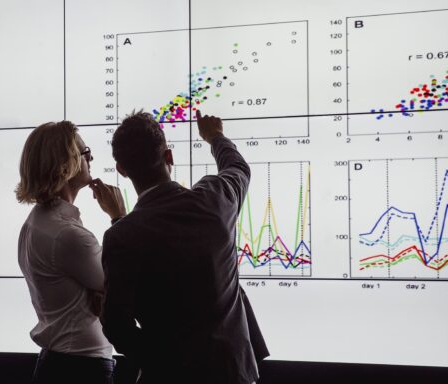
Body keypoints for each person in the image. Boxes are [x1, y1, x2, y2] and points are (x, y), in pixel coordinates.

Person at [99, 110, 269, 384]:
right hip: (233, 373)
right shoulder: (215, 199)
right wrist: (215, 137)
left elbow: (117, 326)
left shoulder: (122, 235)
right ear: (169, 157)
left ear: (122, 170)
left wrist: (164, 363)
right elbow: (238, 168)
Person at [15, 121, 126, 384]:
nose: (91, 158)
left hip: (59, 363)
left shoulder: (35, 224)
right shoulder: (67, 236)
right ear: (67, 163)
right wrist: (119, 218)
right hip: (81, 370)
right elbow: (125, 282)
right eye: (85, 153)